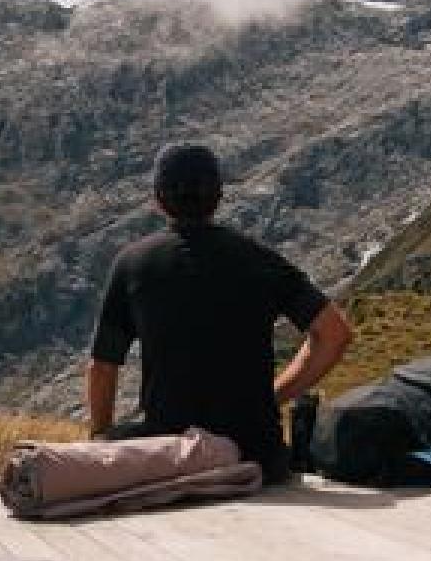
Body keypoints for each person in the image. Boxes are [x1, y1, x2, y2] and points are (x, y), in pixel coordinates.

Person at [87, 144, 355, 484]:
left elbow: (102, 366)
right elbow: (335, 335)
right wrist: (273, 396)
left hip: (170, 454)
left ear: (158, 198)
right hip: (257, 456)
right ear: (219, 196)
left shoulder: (131, 265)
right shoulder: (262, 261)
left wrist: (99, 440)